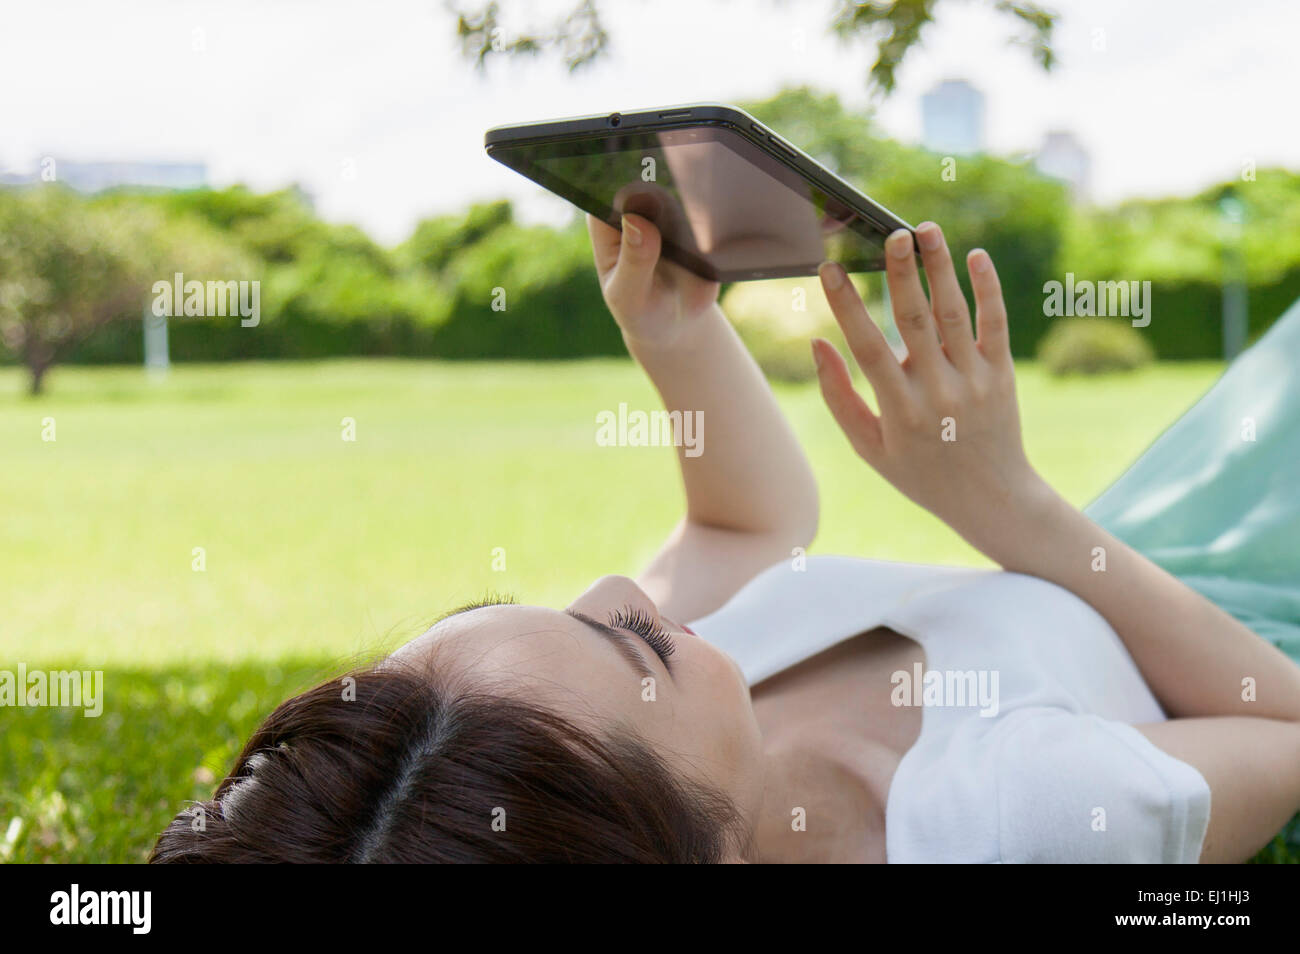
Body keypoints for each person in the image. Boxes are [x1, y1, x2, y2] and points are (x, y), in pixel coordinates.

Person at [151, 215, 1300, 863]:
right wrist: (1004, 506)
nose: (620, 585)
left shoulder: (598, 728)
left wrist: (675, 333)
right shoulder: (1026, 820)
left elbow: (744, 521)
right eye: (635, 643)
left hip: (1155, 530)